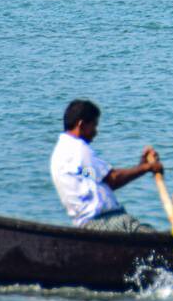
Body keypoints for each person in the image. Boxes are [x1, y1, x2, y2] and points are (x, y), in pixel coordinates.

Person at [51, 99, 162, 232]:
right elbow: (112, 179)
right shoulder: (77, 150)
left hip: (90, 224)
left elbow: (102, 179)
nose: (95, 132)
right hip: (103, 221)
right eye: (94, 125)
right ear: (81, 125)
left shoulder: (63, 153)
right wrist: (147, 168)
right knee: (152, 239)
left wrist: (140, 166)